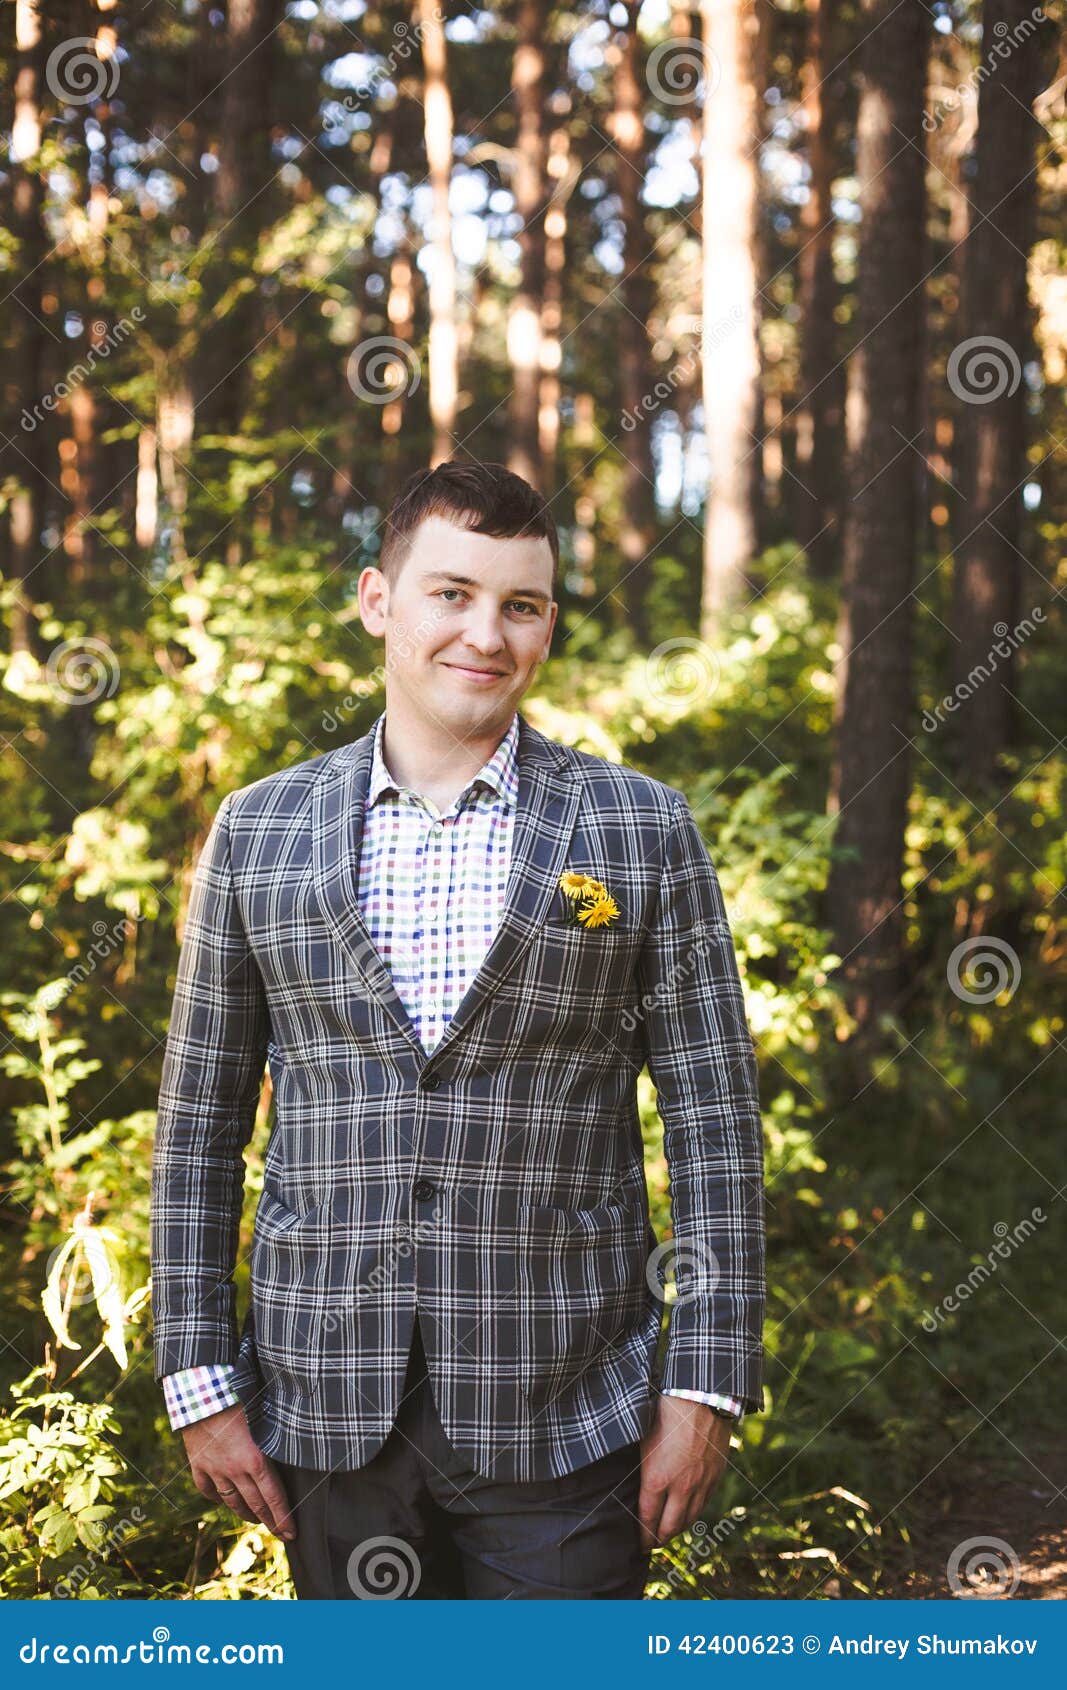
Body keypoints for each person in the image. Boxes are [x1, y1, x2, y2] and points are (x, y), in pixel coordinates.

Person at [149, 459, 765, 1600]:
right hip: (323, 1404)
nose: (485, 631)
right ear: (380, 601)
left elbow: (714, 1125)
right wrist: (198, 1375)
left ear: (546, 627)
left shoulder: (638, 830)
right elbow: (197, 1131)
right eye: (451, 593)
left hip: (569, 1409)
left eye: (520, 604)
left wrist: (706, 1380)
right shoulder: (257, 831)